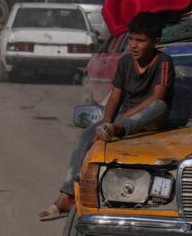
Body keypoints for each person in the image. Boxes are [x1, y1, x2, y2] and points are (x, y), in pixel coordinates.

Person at [39, 12, 175, 221]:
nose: (133, 45)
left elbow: (158, 97)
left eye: (140, 40)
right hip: (120, 124)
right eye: (131, 39)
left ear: (156, 41)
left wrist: (119, 124)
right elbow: (115, 97)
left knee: (159, 105)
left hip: (150, 122)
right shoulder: (125, 62)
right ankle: (66, 196)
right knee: (84, 137)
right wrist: (106, 122)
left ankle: (115, 130)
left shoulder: (163, 62)